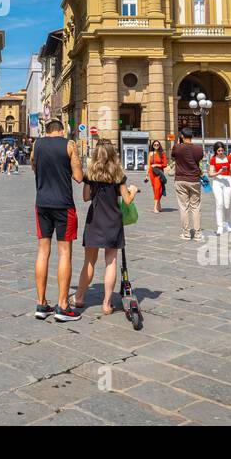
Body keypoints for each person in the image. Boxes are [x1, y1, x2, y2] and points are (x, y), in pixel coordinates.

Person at [71, 139, 137, 315]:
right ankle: (107, 304)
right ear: (112, 153)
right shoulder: (118, 174)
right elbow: (128, 201)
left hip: (95, 221)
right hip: (113, 221)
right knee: (111, 262)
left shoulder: (90, 174)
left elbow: (86, 197)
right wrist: (134, 190)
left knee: (89, 262)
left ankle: (79, 297)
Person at [31, 119, 84, 321]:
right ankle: (62, 306)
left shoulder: (37, 144)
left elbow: (34, 167)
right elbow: (78, 176)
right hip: (63, 205)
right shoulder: (69, 145)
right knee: (64, 253)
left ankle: (41, 303)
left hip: (42, 203)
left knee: (43, 252)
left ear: (47, 131)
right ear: (62, 131)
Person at [170, 127, 205, 241]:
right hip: (194, 179)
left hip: (180, 179)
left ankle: (186, 233)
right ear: (191, 137)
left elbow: (173, 157)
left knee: (183, 207)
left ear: (182, 137)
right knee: (195, 207)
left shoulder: (177, 147)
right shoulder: (198, 149)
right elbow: (198, 160)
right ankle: (198, 233)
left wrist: (177, 145)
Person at [207, 141, 231, 234]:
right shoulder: (213, 159)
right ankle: (220, 226)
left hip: (228, 181)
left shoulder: (229, 158)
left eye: (222, 150)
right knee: (219, 204)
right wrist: (218, 172)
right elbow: (210, 174)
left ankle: (227, 222)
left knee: (227, 205)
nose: (221, 152)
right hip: (217, 181)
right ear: (215, 151)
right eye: (219, 151)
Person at [147, 140, 168, 213]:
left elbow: (165, 164)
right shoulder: (150, 153)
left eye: (157, 144)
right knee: (155, 189)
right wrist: (146, 175)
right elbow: (149, 164)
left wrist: (157, 165)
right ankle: (159, 205)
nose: (156, 146)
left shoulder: (162, 153)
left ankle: (155, 207)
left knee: (158, 189)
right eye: (155, 145)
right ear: (152, 146)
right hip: (152, 173)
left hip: (159, 173)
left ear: (159, 145)